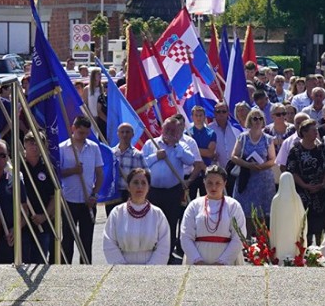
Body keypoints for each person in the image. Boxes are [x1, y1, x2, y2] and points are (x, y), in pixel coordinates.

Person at [143, 113, 199, 259]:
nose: (169, 133)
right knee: (152, 222)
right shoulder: (151, 144)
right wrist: (156, 156)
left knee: (170, 222)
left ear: (178, 131)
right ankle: (152, 253)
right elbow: (142, 164)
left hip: (172, 192)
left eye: (173, 130)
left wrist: (175, 146)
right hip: (153, 191)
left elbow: (190, 160)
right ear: (162, 129)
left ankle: (167, 254)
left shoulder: (182, 145)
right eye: (167, 129)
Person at [55, 114, 104, 263]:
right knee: (68, 240)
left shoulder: (94, 148)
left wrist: (94, 195)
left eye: (86, 133)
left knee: (86, 240)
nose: (83, 136)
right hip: (69, 201)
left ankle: (85, 271)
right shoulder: (62, 148)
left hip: (87, 201)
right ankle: (65, 272)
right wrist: (73, 171)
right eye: (80, 132)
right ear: (73, 129)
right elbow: (57, 174)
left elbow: (100, 174)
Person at [179, 164, 249, 264]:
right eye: (210, 183)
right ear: (204, 182)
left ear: (224, 183)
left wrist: (223, 262)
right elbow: (185, 235)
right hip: (197, 260)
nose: (213, 187)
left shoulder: (233, 205)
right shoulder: (194, 205)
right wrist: (197, 260)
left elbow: (238, 237)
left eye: (218, 183)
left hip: (227, 262)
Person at [103, 167, 172, 263]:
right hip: (122, 269)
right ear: (128, 187)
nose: (139, 186)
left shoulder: (157, 214)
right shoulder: (117, 213)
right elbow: (109, 243)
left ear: (148, 188)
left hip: (151, 269)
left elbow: (164, 246)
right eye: (135, 182)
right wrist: (122, 269)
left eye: (143, 183)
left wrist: (151, 269)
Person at [285, 118, 325, 244]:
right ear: (304, 132)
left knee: (320, 227)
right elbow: (292, 171)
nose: (316, 133)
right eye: (313, 131)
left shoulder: (322, 149)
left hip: (321, 193)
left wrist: (323, 184)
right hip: (303, 193)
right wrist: (305, 185)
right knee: (304, 226)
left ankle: (320, 250)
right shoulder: (295, 151)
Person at [14, 133, 60, 262]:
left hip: (41, 222)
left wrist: (44, 216)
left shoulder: (49, 167)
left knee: (40, 261)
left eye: (38, 143)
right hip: (21, 223)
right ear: (25, 145)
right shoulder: (17, 166)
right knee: (22, 261)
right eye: (31, 143)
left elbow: (55, 196)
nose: (34, 147)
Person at [231, 108, 279, 221]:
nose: (258, 121)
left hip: (263, 181)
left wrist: (261, 167)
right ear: (250, 120)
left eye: (260, 118)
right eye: (255, 118)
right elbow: (234, 156)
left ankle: (262, 238)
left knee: (263, 215)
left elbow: (272, 159)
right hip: (246, 179)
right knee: (245, 214)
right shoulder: (242, 137)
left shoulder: (268, 139)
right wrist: (248, 165)